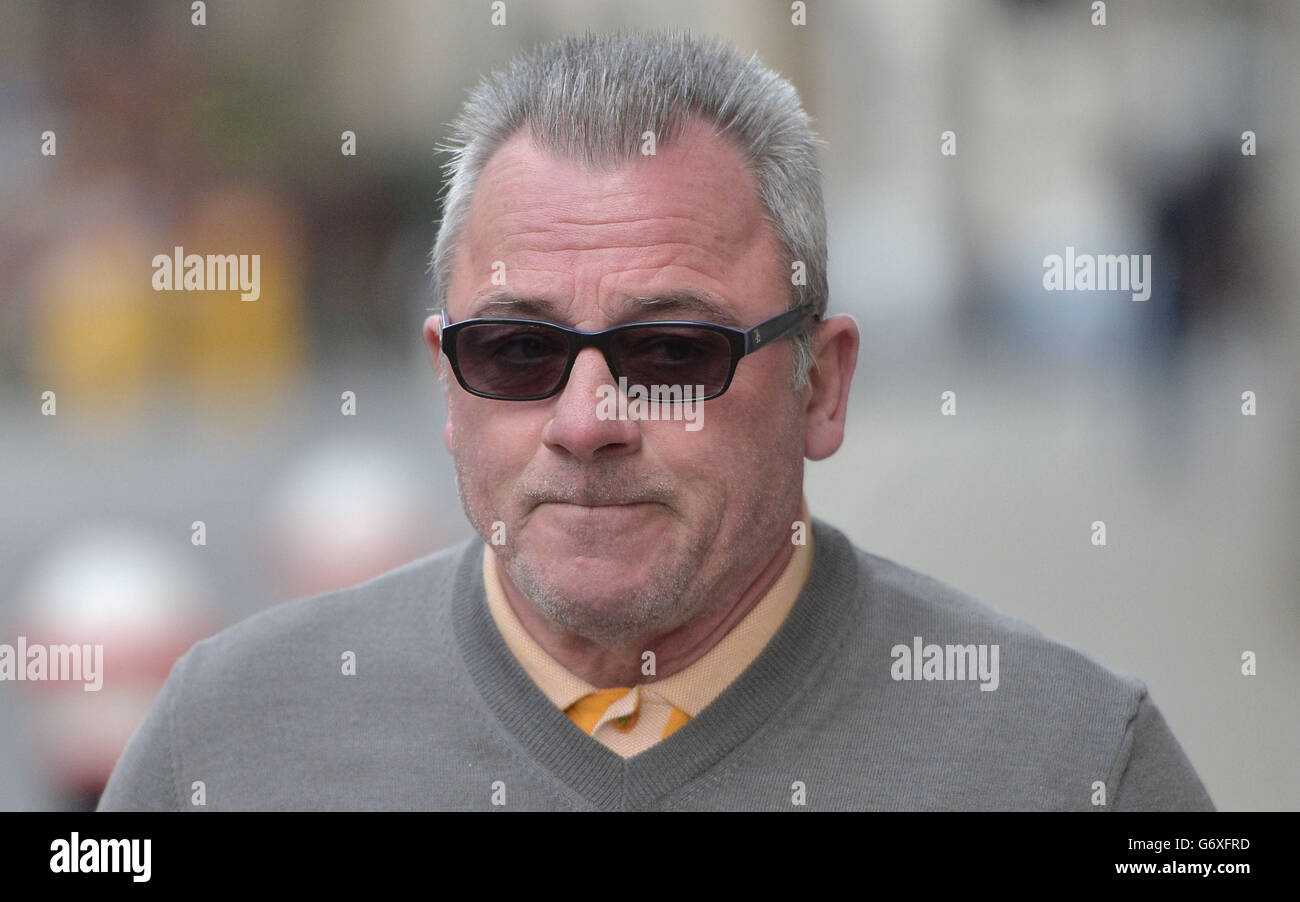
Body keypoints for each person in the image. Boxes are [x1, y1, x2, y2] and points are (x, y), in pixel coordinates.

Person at [99, 29, 1213, 811]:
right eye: (519, 349)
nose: (586, 422)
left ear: (819, 387)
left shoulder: (1071, 763)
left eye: (672, 351)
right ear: (447, 382)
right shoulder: (227, 742)